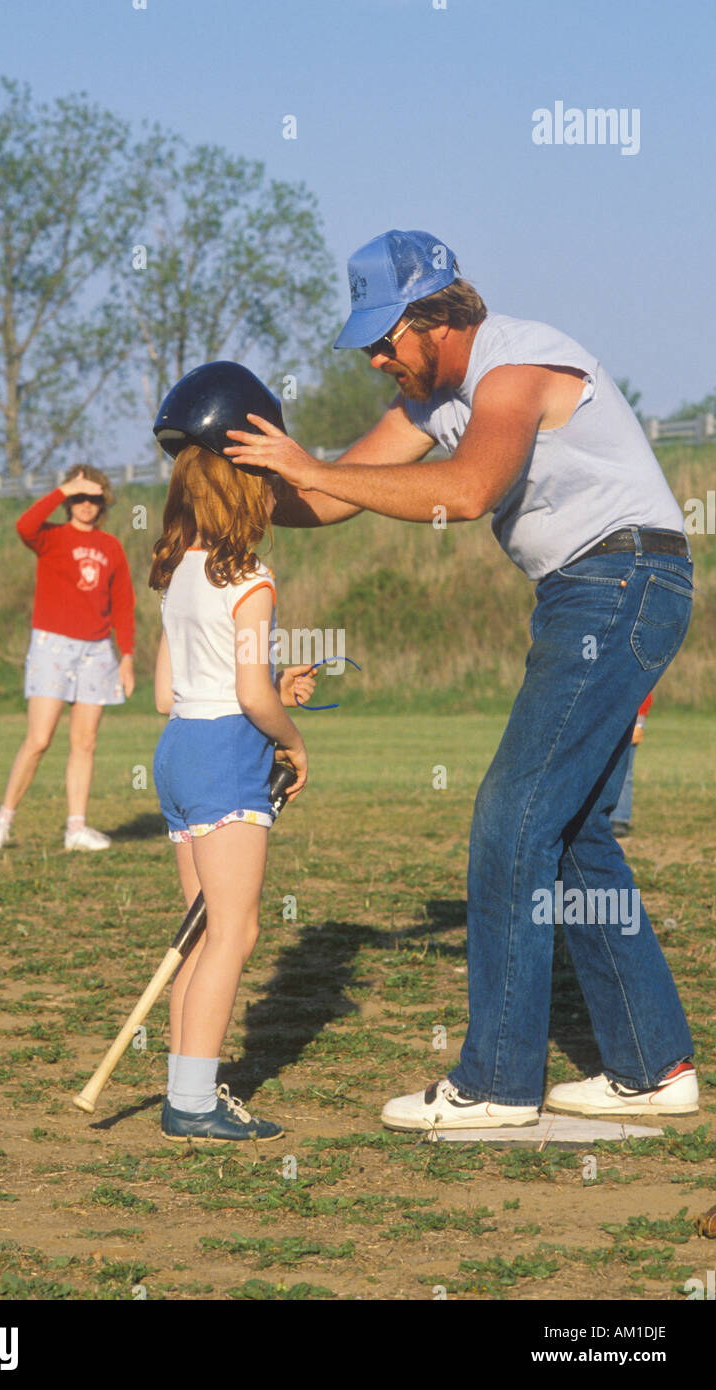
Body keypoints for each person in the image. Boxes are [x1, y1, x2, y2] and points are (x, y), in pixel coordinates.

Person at [224, 229, 698, 1128]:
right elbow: (328, 495)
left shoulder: (515, 367)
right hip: (589, 592)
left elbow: (471, 489)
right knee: (570, 833)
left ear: (433, 317)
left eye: (381, 336)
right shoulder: (427, 399)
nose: (371, 357)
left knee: (511, 817)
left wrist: (315, 467)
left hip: (620, 583)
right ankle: (653, 1066)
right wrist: (231, 471)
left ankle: (497, 1082)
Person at [150, 362, 315, 1144]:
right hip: (224, 753)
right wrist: (291, 736)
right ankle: (191, 1103)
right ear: (250, 491)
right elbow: (251, 697)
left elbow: (167, 689)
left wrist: (272, 683)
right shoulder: (249, 577)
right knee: (236, 932)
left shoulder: (175, 572)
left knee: (202, 930)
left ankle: (185, 1087)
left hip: (178, 745)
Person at [0, 465, 135, 853]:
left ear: (104, 502)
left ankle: (76, 828)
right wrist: (64, 488)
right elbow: (24, 525)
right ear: (69, 500)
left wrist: (127, 656)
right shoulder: (50, 536)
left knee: (85, 742)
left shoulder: (111, 547)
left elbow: (124, 606)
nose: (87, 504)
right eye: (79, 497)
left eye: (94, 497)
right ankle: (3, 819)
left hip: (97, 651)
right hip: (53, 646)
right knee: (39, 739)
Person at [610, 694, 653, 837]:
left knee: (625, 772)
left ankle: (619, 819)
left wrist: (640, 723)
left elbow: (645, 694)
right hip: (608, 717)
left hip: (632, 720)